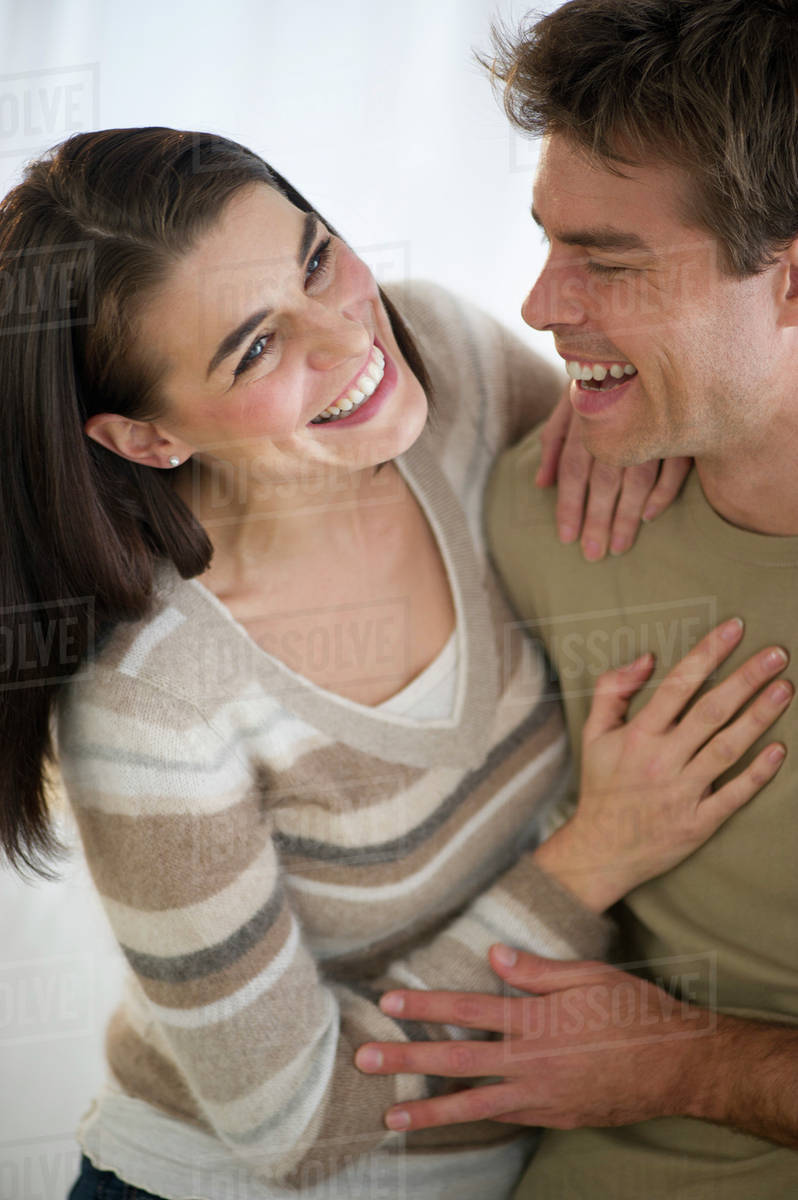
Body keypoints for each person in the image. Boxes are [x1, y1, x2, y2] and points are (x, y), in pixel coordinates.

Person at [0, 129, 788, 1200]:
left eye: (316, 259)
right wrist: (596, 856)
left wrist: (628, 448)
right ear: (146, 439)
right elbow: (301, 1127)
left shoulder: (450, 371)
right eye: (256, 349)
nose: (346, 338)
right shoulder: (153, 710)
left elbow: (621, 440)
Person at [352, 3, 798, 1197]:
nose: (544, 305)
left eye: (609, 263)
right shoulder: (539, 510)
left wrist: (688, 1065)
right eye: (549, 243)